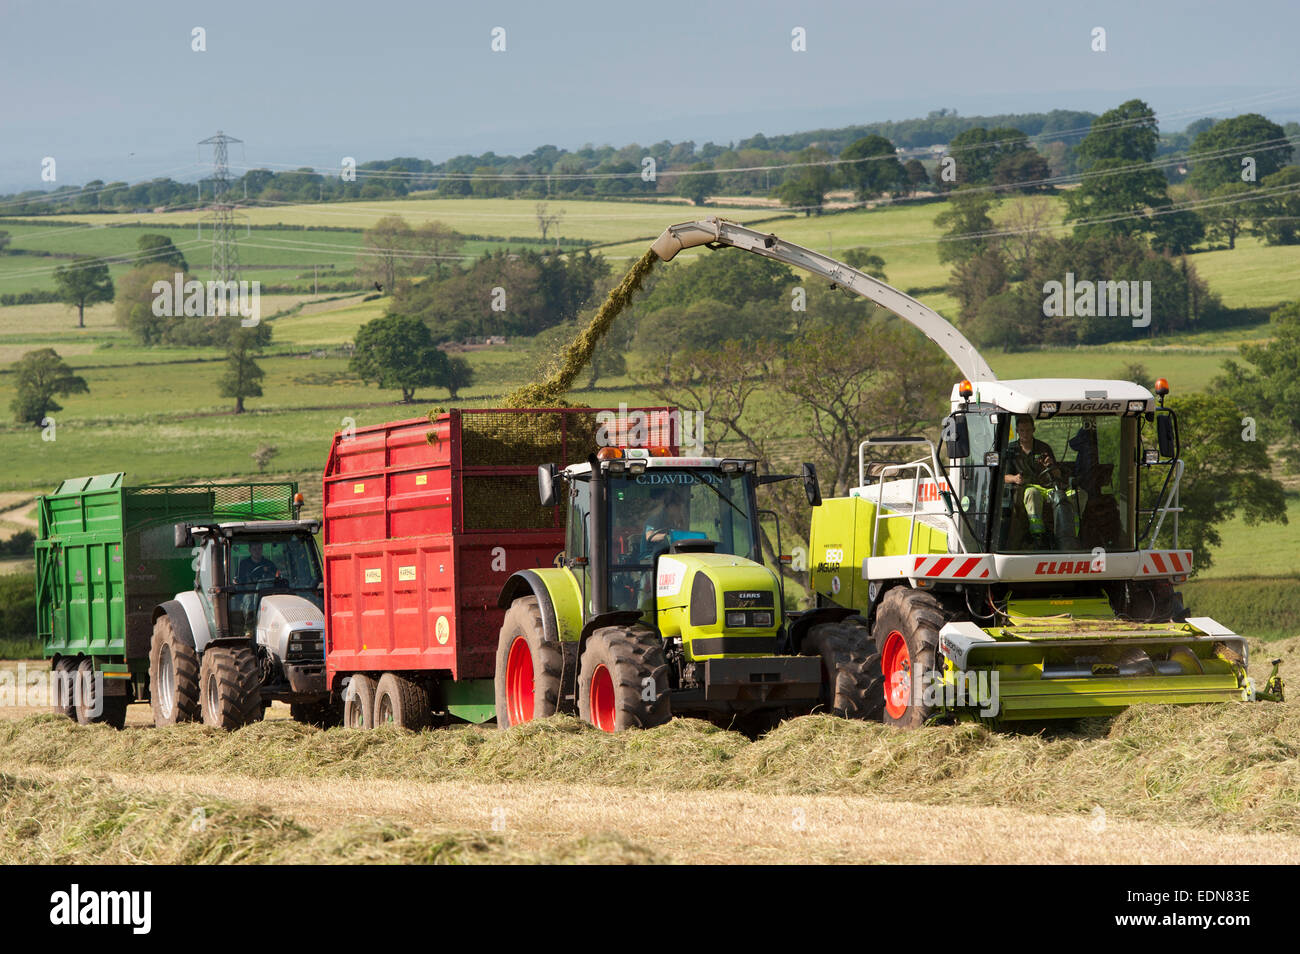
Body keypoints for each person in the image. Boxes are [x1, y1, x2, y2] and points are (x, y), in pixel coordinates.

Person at [1004, 416, 1081, 547]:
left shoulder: (1043, 448)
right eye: (1022, 430)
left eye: (1028, 430)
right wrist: (1015, 478)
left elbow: (1057, 473)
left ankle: (1070, 534)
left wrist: (1050, 465)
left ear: (1033, 430)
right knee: (1032, 493)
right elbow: (1003, 476)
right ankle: (1038, 536)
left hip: (1047, 487)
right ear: (1017, 431)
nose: (1025, 434)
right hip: (1025, 488)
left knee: (1075, 495)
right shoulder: (1010, 450)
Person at [643, 489, 688, 557]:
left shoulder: (671, 521)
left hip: (665, 554)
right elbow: (649, 537)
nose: (680, 509)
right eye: (678, 506)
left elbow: (682, 536)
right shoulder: (654, 519)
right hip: (649, 557)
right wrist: (668, 536)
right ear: (670, 506)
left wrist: (681, 521)